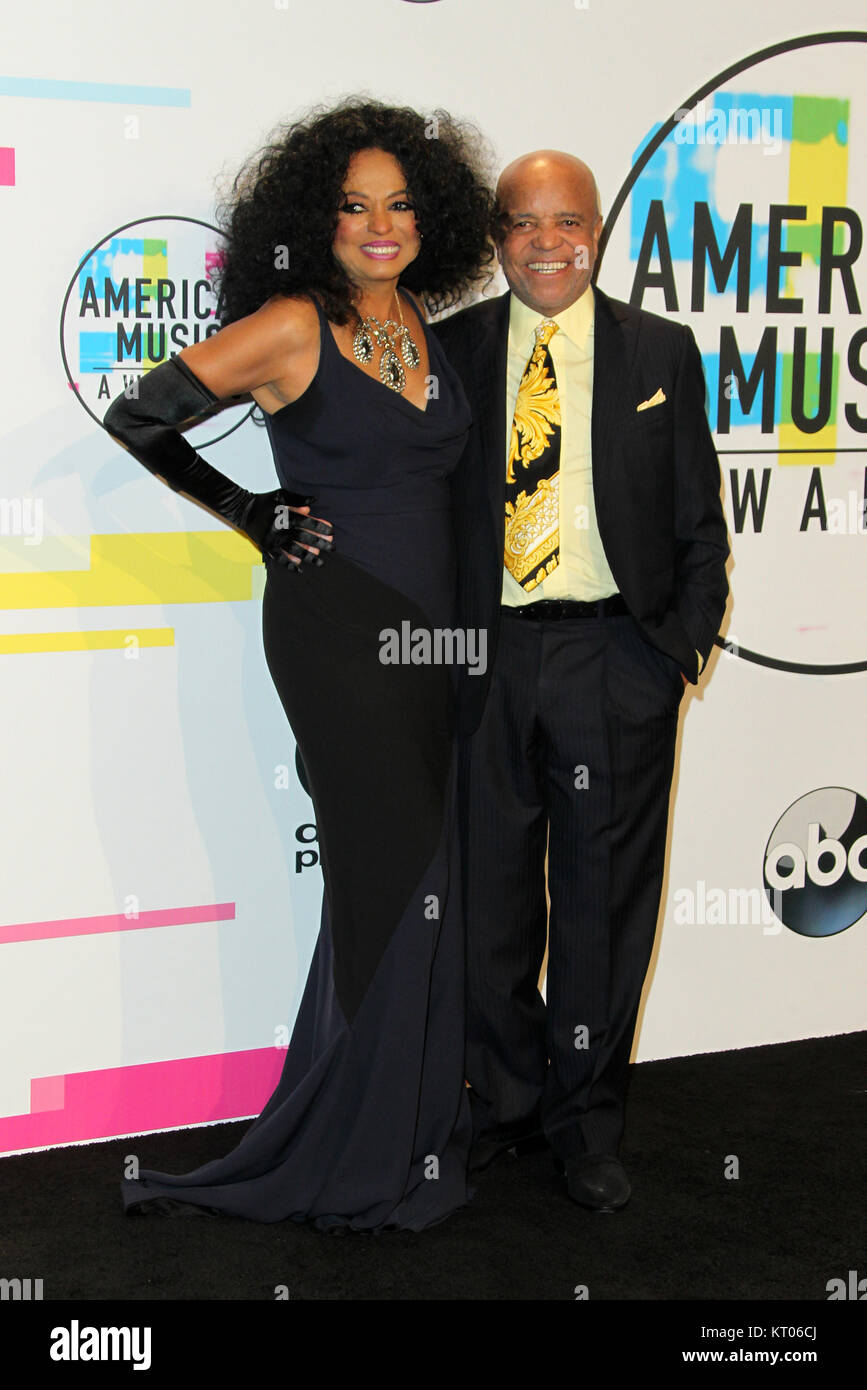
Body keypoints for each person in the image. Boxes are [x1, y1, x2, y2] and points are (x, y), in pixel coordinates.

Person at [103, 99, 494, 1231]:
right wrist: (250, 510)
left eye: (403, 205)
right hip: (338, 630)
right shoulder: (289, 324)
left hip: (435, 636)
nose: (382, 226)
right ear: (312, 219)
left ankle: (410, 1122)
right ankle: (359, 1150)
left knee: (425, 874)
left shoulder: (423, 318)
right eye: (355, 206)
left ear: (435, 218)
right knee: (388, 878)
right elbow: (141, 413)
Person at [434, 150, 729, 1211]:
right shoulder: (452, 350)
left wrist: (672, 656)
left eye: (568, 221)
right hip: (489, 661)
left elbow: (701, 524)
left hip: (614, 660)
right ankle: (505, 1102)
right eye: (523, 223)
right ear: (498, 238)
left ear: (598, 231)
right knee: (489, 906)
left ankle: (586, 1120)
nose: (546, 242)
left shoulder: (660, 349)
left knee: (605, 909)